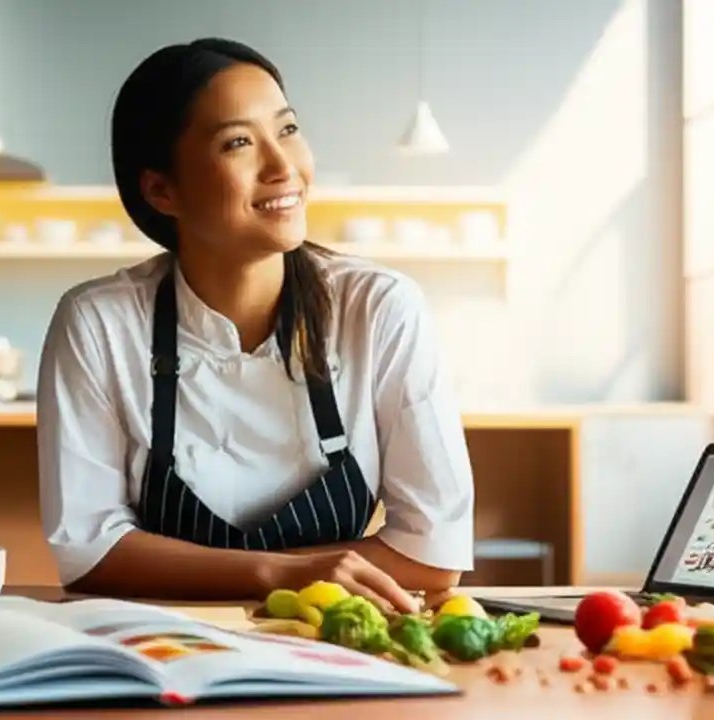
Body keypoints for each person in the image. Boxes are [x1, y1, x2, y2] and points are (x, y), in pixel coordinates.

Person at [36, 38, 474, 614]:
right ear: (161, 190)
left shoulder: (381, 309)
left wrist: (281, 580)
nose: (283, 167)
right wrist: (285, 571)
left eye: (287, 130)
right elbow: (89, 555)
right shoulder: (99, 324)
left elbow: (434, 557)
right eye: (238, 142)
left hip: (339, 647)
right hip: (166, 652)